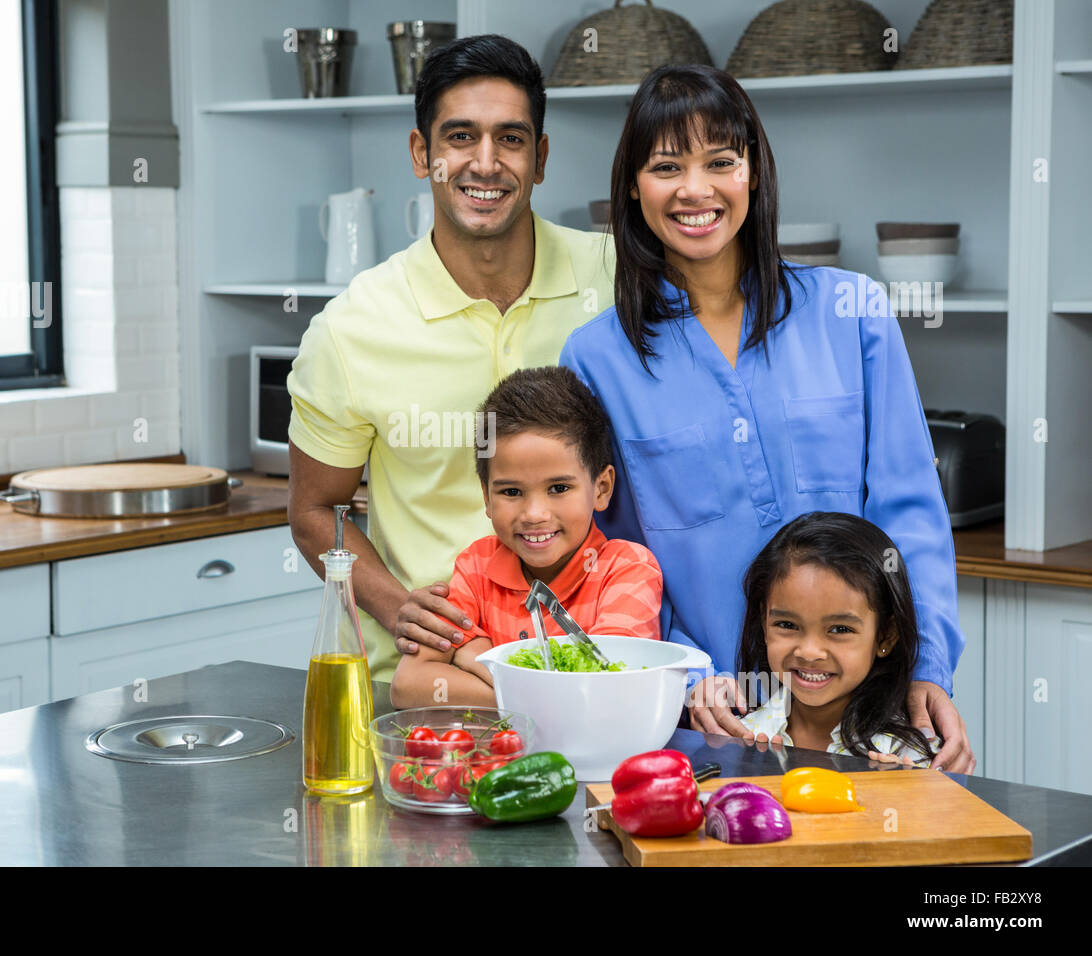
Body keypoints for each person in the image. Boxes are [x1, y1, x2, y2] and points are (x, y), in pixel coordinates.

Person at [558, 64, 975, 773]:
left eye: (721, 161)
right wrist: (684, 683)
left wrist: (928, 664)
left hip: (876, 715)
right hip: (708, 728)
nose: (697, 190)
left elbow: (909, 512)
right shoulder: (596, 356)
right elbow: (612, 561)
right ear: (632, 186)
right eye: (667, 167)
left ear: (753, 171)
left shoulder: (855, 312)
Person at [287, 36, 614, 684]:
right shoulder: (353, 328)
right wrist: (398, 606)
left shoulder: (615, 283)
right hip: (424, 692)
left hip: (591, 677)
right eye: (460, 137)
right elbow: (313, 513)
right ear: (422, 154)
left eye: (511, 139)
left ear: (540, 157)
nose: (485, 163)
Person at [389, 367, 664, 708]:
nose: (534, 514)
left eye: (559, 488)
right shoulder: (476, 566)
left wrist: (477, 655)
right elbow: (409, 685)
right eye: (512, 491)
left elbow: (600, 692)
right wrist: (536, 698)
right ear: (486, 497)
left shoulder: (626, 569)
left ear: (601, 488)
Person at [736, 512, 940, 767]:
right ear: (764, 624)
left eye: (840, 629)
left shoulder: (909, 755)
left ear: (885, 636)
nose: (809, 652)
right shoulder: (742, 739)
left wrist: (899, 795)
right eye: (787, 625)